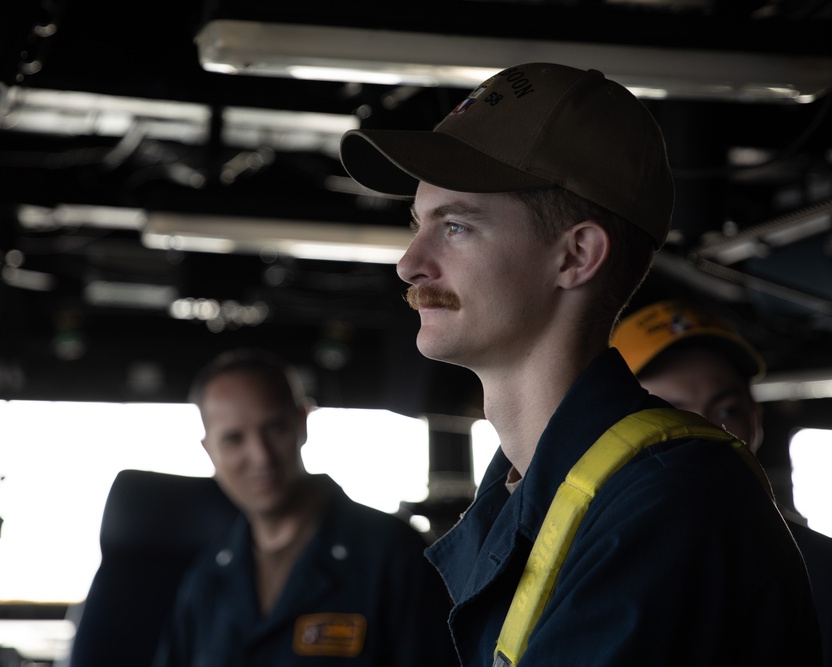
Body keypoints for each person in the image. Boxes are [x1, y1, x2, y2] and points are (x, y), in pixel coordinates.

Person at [339, 62, 822, 665]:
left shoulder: (668, 503)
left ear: (576, 256)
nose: (410, 264)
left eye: (456, 226)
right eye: (417, 226)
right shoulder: (540, 493)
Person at [156, 348, 457, 667]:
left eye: (275, 428)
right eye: (233, 439)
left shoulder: (392, 554)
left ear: (302, 423)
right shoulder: (205, 579)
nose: (261, 456)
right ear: (209, 451)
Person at [612, 298, 832, 666]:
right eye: (669, 414)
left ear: (756, 417)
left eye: (726, 410)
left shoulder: (821, 568)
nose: (707, 433)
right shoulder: (587, 570)